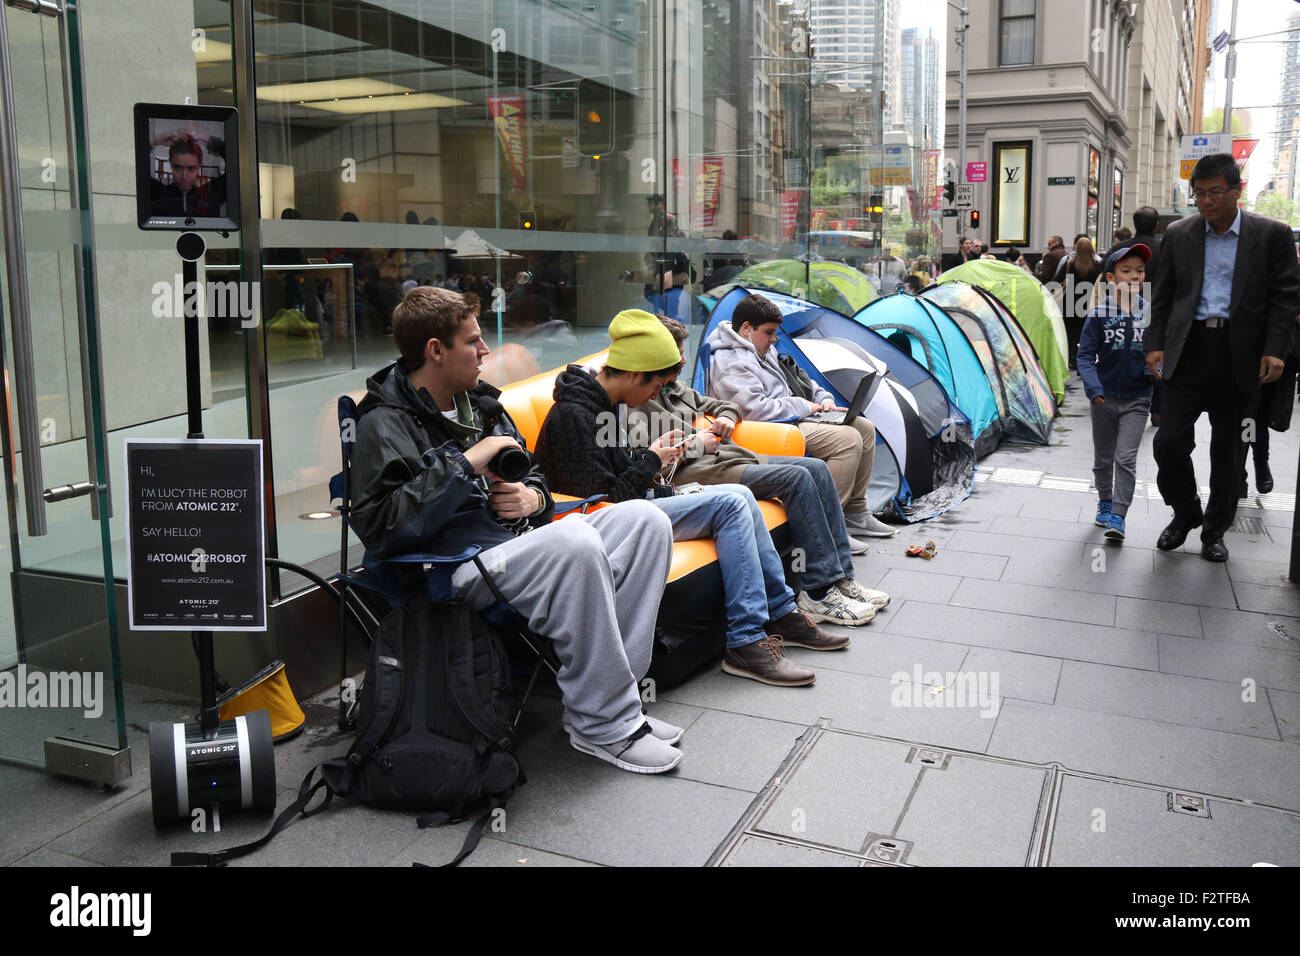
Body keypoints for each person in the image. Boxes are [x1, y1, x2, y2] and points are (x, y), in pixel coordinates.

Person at [349, 287, 685, 773]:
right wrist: (465, 464)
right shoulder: (384, 423)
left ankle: (617, 699)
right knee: (575, 540)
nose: (486, 351)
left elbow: (534, 474)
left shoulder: (481, 407)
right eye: (473, 341)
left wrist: (534, 496)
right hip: (447, 570)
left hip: (508, 547)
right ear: (436, 351)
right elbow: (382, 528)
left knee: (646, 521)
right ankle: (603, 725)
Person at [534, 310, 854, 689]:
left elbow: (616, 478)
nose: (657, 396)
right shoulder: (576, 415)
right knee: (733, 501)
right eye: (656, 388)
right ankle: (747, 640)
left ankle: (781, 613)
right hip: (607, 522)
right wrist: (651, 459)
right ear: (636, 374)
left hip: (632, 509)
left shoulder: (604, 405)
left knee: (739, 499)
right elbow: (606, 501)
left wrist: (650, 458)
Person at [633, 315, 889, 623]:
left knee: (816, 469)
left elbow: (723, 405)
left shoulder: (677, 391)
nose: (685, 358)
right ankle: (818, 592)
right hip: (700, 473)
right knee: (796, 477)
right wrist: (700, 444)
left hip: (728, 459)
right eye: (678, 351)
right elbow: (649, 458)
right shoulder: (641, 400)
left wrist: (726, 416)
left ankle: (842, 578)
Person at [1145, 152, 1300, 562]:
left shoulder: (1272, 235)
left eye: (1215, 192)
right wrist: (1154, 342)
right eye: (1199, 193)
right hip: (1188, 351)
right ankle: (1185, 512)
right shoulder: (1179, 234)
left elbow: (1286, 298)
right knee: (1168, 442)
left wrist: (1275, 349)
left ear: (1237, 191)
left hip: (1243, 358)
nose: (1206, 201)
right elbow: (1162, 297)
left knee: (1231, 451)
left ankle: (1214, 531)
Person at [704, 293, 896, 538]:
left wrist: (823, 400)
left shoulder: (761, 348)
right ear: (746, 329)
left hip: (789, 419)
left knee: (864, 427)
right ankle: (828, 528)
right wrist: (805, 406)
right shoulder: (729, 360)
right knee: (848, 439)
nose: (774, 340)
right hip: (764, 428)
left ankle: (855, 513)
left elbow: (797, 380)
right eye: (769, 332)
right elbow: (753, 410)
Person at [1077, 243, 1155, 542]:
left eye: (1140, 270)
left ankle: (1119, 516)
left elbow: (1159, 351)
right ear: (1111, 279)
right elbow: (1085, 356)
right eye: (1126, 271)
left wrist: (1152, 373)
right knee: (1104, 458)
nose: (1134, 276)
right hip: (1103, 398)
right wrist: (1093, 387)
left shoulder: (1151, 314)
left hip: (1137, 398)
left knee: (1126, 458)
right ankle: (1105, 501)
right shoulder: (1098, 313)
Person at [148, 133, 227, 218]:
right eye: (178, 168)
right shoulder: (157, 192)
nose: (184, 176)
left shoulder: (210, 195)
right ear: (170, 164)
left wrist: (208, 139)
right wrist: (155, 140)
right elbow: (133, 167)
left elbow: (238, 166)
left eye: (191, 169)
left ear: (199, 166)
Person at [1059, 237, 1103, 369]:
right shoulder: (1097, 265)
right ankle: (1085, 357)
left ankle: (1072, 359)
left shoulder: (1069, 264)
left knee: (1071, 332)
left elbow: (1056, 280)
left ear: (1076, 248)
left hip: (1071, 303)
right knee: (1087, 332)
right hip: (1089, 303)